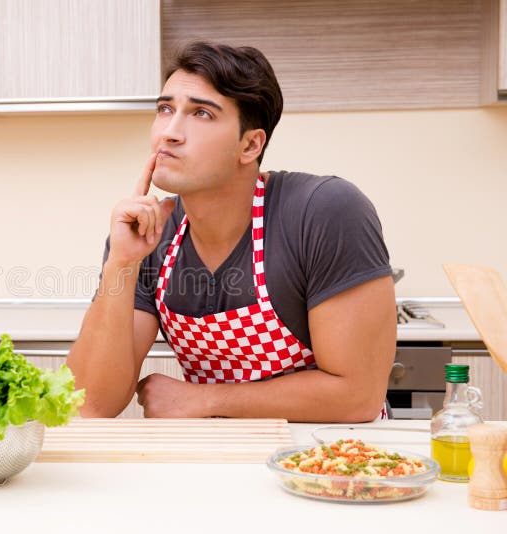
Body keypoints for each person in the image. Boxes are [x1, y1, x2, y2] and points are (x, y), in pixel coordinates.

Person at [66, 41, 395, 423]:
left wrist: (205, 401)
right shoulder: (148, 235)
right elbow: (91, 405)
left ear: (250, 144)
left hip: (328, 461)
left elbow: (358, 397)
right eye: (165, 109)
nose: (169, 133)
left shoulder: (324, 211)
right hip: (223, 457)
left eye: (201, 114)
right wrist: (121, 264)